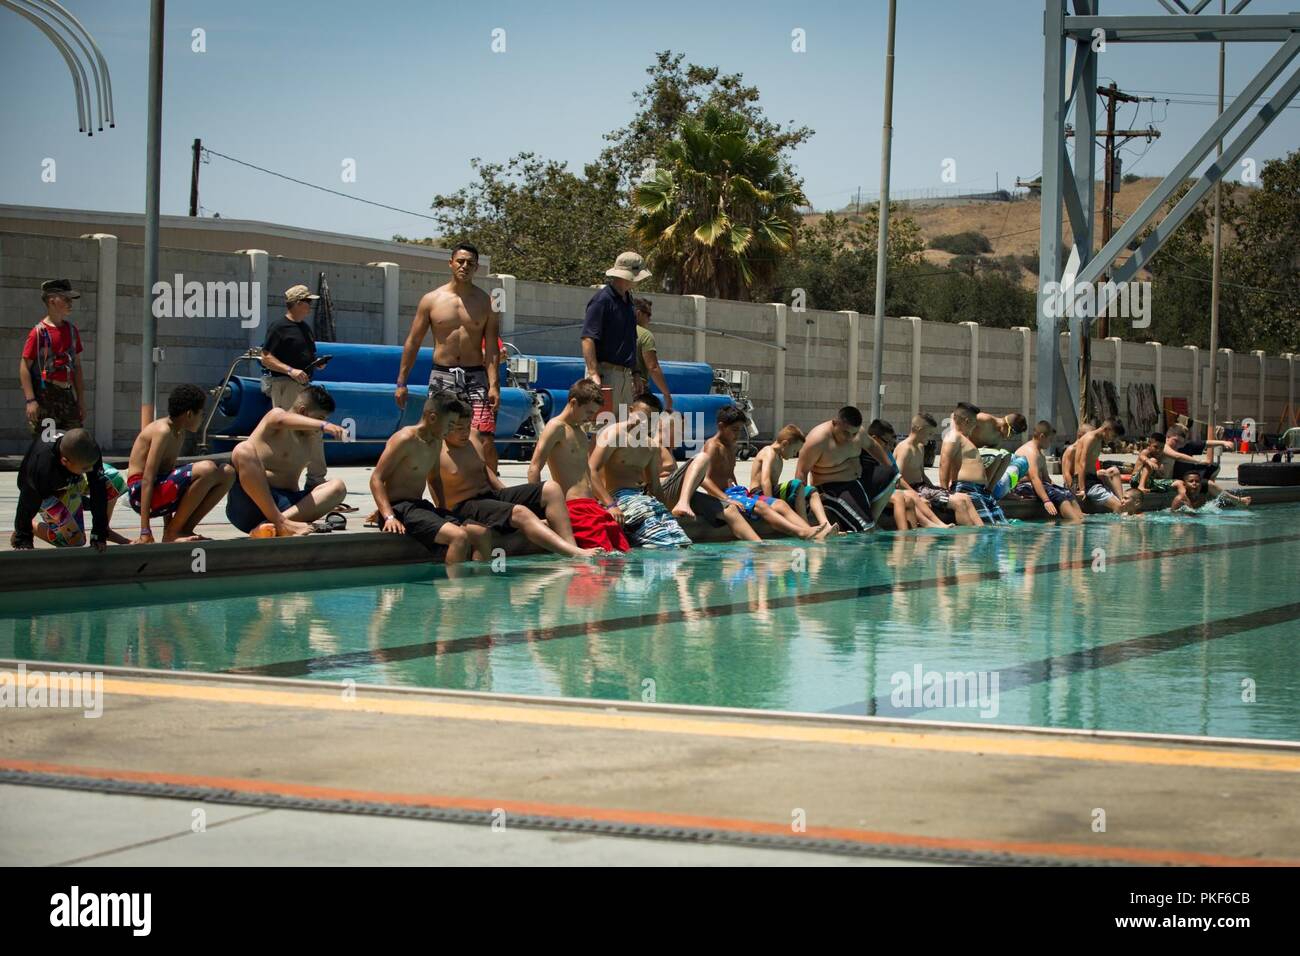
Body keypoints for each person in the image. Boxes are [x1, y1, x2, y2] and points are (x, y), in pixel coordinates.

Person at [396, 242, 501, 473]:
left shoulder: (487, 303)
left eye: (470, 263)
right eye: (460, 261)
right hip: (442, 376)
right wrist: (402, 382)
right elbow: (412, 342)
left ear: (476, 268)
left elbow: (492, 347)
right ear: (451, 263)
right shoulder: (431, 300)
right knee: (438, 437)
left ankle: (493, 495)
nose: (465, 266)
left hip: (476, 377)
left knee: (485, 438)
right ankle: (441, 496)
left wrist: (494, 385)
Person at [437, 417, 597, 558]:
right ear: (446, 427)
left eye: (467, 426)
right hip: (465, 505)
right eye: (459, 429)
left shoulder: (474, 436)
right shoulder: (437, 450)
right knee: (520, 512)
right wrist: (444, 515)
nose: (465, 432)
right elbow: (433, 483)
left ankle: (572, 547)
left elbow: (484, 469)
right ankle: (573, 553)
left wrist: (503, 492)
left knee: (551, 489)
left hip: (489, 496)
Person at [665, 405, 824, 541]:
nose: (737, 434)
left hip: (736, 492)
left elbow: (729, 474)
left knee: (780, 504)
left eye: (740, 430)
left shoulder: (731, 446)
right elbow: (705, 480)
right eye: (734, 430)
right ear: (721, 426)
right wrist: (726, 498)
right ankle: (800, 532)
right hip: (723, 495)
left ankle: (812, 531)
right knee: (762, 506)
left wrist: (739, 490)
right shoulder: (713, 446)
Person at [370, 390, 492, 564]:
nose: (451, 430)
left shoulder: (436, 441)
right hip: (400, 509)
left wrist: (443, 510)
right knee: (459, 537)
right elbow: (376, 478)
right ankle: (453, 589)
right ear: (433, 417)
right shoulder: (405, 439)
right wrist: (388, 515)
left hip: (420, 507)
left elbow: (434, 479)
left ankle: (481, 587)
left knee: (482, 533)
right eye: (450, 424)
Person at [226, 385, 349, 536]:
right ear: (303, 412)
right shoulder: (276, 416)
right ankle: (280, 523)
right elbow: (281, 420)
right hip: (249, 503)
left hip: (286, 506)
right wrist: (325, 426)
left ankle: (269, 527)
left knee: (338, 487)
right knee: (243, 449)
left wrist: (323, 502)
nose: (320, 425)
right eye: (320, 418)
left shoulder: (311, 437)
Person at [528, 379, 631, 552]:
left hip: (593, 507)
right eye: (588, 412)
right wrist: (536, 511)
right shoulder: (556, 427)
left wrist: (610, 504)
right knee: (601, 558)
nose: (590, 417)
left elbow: (588, 473)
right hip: (575, 508)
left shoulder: (580, 431)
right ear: (574, 403)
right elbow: (534, 467)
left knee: (623, 552)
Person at [125, 384, 236, 543]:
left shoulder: (179, 432)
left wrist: (167, 525)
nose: (202, 418)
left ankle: (181, 530)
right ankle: (173, 532)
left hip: (158, 491)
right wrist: (145, 531)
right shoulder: (163, 431)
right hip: (140, 494)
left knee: (228, 473)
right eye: (201, 414)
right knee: (207, 468)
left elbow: (166, 475)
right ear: (189, 414)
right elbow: (149, 479)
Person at [589, 392, 692, 548]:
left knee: (682, 541)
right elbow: (591, 470)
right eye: (643, 417)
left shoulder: (651, 446)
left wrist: (666, 511)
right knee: (664, 543)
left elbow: (655, 486)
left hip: (642, 500)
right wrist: (610, 505)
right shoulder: (614, 433)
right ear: (630, 411)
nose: (646, 423)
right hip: (618, 498)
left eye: (652, 420)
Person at [260, 283, 333, 490]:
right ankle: (280, 478)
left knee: (313, 430)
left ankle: (316, 480)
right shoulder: (279, 327)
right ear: (298, 303)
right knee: (287, 432)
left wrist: (316, 364)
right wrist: (290, 370)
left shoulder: (305, 328)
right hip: (285, 384)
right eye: (308, 302)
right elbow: (266, 357)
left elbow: (305, 354)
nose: (310, 306)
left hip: (304, 386)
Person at [11, 427, 128, 550]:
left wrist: (99, 534)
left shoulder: (89, 447)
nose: (89, 471)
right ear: (64, 461)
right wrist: (23, 538)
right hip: (48, 492)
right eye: (85, 469)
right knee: (74, 540)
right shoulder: (41, 467)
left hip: (73, 479)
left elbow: (98, 489)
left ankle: (105, 529)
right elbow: (26, 505)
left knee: (113, 480)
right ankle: (32, 527)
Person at [795, 406, 896, 532]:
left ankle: (872, 520)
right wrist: (805, 504)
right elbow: (801, 472)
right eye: (846, 433)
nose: (850, 438)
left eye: (854, 433)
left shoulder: (859, 433)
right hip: (832, 488)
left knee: (892, 473)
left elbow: (872, 445)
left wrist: (887, 464)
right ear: (834, 423)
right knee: (865, 529)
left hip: (857, 482)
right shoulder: (817, 440)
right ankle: (868, 523)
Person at [582, 252, 650, 417]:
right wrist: (593, 374)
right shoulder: (602, 300)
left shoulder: (628, 300)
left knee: (621, 432)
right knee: (601, 429)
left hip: (625, 376)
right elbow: (587, 338)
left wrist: (635, 373)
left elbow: (630, 340)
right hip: (606, 374)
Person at [20, 279, 86, 436]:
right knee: (46, 447)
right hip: (45, 397)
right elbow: (24, 367)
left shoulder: (72, 331)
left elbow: (77, 367)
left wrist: (81, 400)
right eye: (66, 299)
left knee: (74, 443)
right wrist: (31, 401)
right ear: (52, 301)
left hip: (67, 396)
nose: (70, 303)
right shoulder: (38, 332)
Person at [895, 413, 981, 526]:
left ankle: (981, 532)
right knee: (959, 503)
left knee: (965, 498)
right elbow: (897, 477)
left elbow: (922, 475)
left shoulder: (920, 447)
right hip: (914, 489)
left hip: (924, 488)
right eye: (929, 433)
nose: (930, 437)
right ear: (918, 429)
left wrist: (938, 489)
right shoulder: (905, 448)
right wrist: (917, 496)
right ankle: (966, 538)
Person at [864, 419, 950, 530]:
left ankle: (916, 531)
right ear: (874, 439)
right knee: (901, 498)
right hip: (876, 491)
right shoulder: (867, 454)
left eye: (892, 444)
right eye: (887, 443)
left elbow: (897, 476)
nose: (890, 447)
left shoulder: (888, 453)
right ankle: (904, 534)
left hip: (888, 490)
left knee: (910, 497)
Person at [750, 425, 833, 530]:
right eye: (794, 451)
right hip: (758, 494)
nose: (794, 455)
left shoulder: (779, 458)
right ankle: (807, 528)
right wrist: (770, 504)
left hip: (770, 493)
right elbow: (765, 480)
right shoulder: (769, 452)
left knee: (811, 491)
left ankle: (826, 526)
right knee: (797, 484)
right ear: (785, 444)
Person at [940, 404, 1007, 525]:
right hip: (967, 489)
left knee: (1001, 527)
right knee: (986, 529)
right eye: (974, 422)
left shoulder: (964, 439)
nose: (976, 425)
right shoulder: (953, 436)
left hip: (980, 490)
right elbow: (944, 462)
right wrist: (944, 491)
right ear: (966, 421)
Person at [1011, 421, 1083, 523]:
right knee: (1059, 495)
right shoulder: (1031, 452)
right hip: (1021, 486)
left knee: (1066, 493)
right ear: (1042, 436)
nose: (1051, 443)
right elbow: (1034, 478)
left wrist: (1062, 488)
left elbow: (1046, 479)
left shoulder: (1040, 453)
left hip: (1036, 485)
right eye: (1050, 439)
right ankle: (1074, 522)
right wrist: (1046, 500)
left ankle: (1080, 520)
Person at [1066, 417, 1137, 514]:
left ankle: (1121, 502)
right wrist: (1082, 489)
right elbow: (1082, 463)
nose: (1113, 439)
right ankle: (1119, 527)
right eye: (1114, 436)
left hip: (1092, 479)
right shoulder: (1090, 438)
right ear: (1107, 430)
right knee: (1119, 507)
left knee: (1114, 472)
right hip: (1087, 483)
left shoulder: (1098, 440)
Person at [632, 297, 673, 412]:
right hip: (637, 389)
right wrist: (666, 394)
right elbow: (653, 367)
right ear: (639, 313)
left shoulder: (618, 330)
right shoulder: (645, 335)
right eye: (648, 314)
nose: (650, 319)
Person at [1170, 470, 1252, 511]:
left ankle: (1237, 500)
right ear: (1184, 484)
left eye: (1197, 481)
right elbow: (1173, 516)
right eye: (1191, 481)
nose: (1194, 483)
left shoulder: (1202, 497)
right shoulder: (1179, 500)